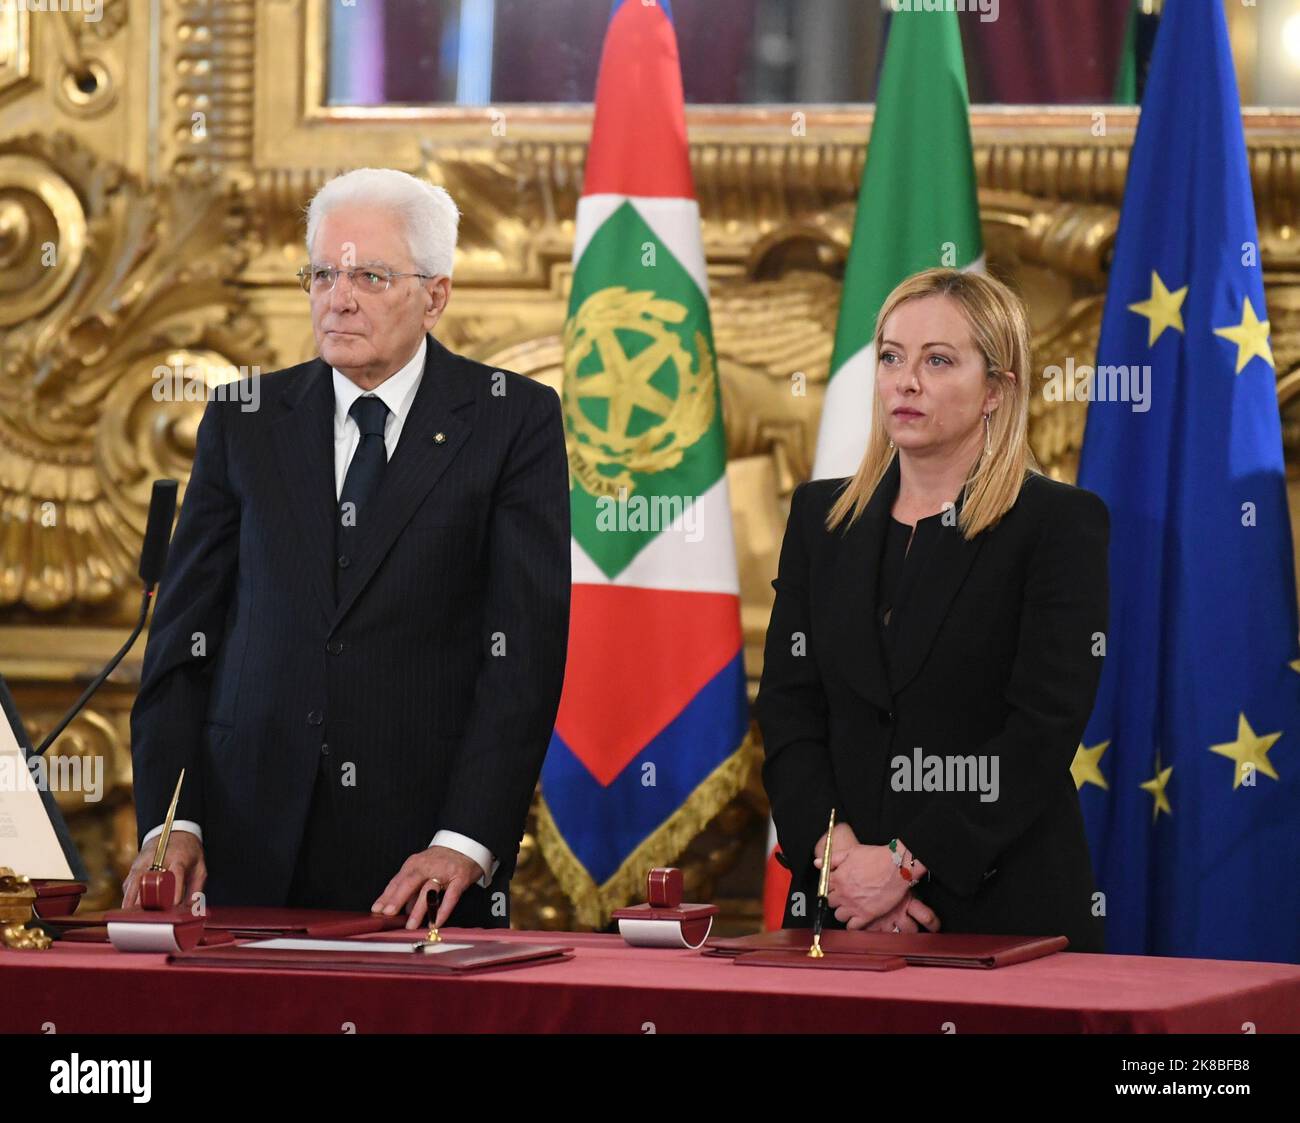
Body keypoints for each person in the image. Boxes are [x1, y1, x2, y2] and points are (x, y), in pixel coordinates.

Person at [123, 168, 570, 930]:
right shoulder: (246, 419)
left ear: (435, 296)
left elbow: (522, 657)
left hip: (420, 864)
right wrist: (176, 823)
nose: (340, 296)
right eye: (324, 273)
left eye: (370, 274)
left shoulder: (511, 422)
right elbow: (180, 646)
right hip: (244, 844)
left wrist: (464, 840)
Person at [755, 267, 1109, 951]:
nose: (904, 381)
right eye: (891, 357)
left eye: (938, 360)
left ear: (996, 392)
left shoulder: (1058, 524)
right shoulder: (819, 518)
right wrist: (841, 864)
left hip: (999, 907)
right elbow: (789, 710)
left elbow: (1041, 728)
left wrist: (906, 865)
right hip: (840, 911)